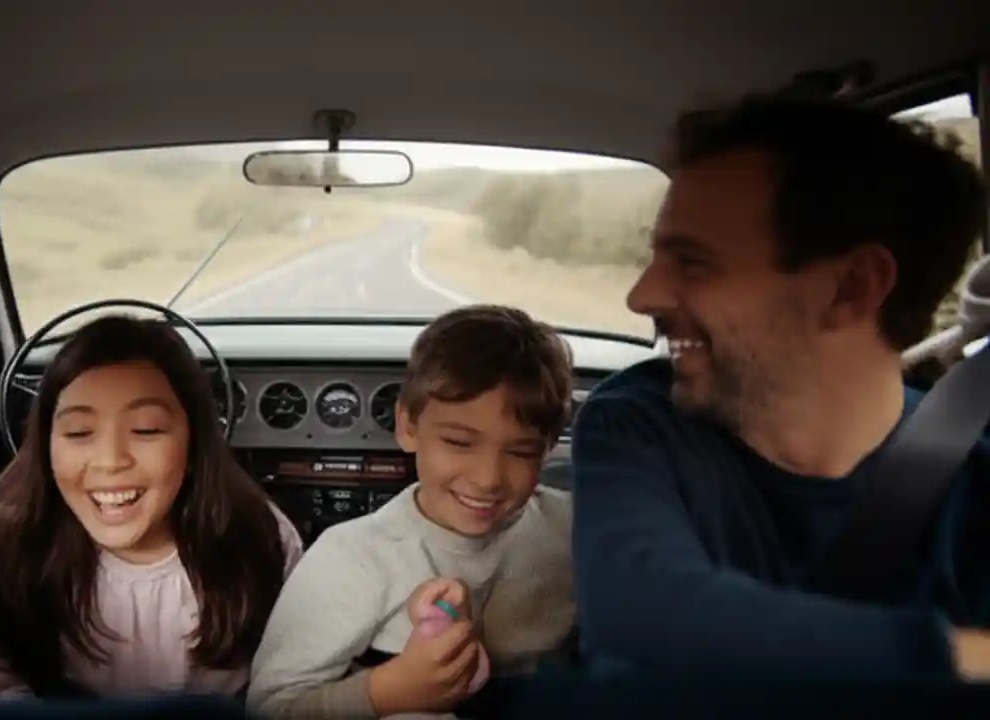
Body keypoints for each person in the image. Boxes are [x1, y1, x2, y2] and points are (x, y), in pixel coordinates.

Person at [570, 95, 990, 681]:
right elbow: (642, 612)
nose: (642, 296)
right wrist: (957, 658)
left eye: (693, 263)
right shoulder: (641, 422)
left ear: (850, 288)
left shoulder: (974, 483)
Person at [247, 304, 576, 719]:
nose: (488, 478)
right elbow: (270, 708)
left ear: (548, 449)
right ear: (407, 427)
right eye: (459, 442)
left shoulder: (574, 529)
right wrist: (386, 693)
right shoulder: (352, 560)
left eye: (521, 451)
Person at [0, 315, 304, 698]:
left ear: (194, 444)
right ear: (47, 445)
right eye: (79, 433)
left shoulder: (261, 536)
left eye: (146, 430)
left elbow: (298, 672)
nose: (110, 461)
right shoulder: (15, 545)